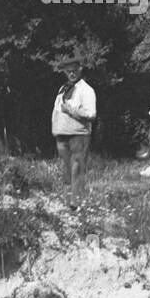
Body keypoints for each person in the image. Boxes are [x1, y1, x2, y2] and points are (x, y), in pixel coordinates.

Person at [52, 56, 96, 204]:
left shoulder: (86, 90)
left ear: (80, 70)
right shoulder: (62, 89)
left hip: (78, 134)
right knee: (66, 167)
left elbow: (91, 114)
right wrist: (55, 128)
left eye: (74, 71)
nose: (71, 74)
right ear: (65, 72)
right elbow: (57, 110)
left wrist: (71, 110)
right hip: (62, 133)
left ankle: (76, 202)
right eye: (68, 71)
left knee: (77, 166)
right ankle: (67, 199)